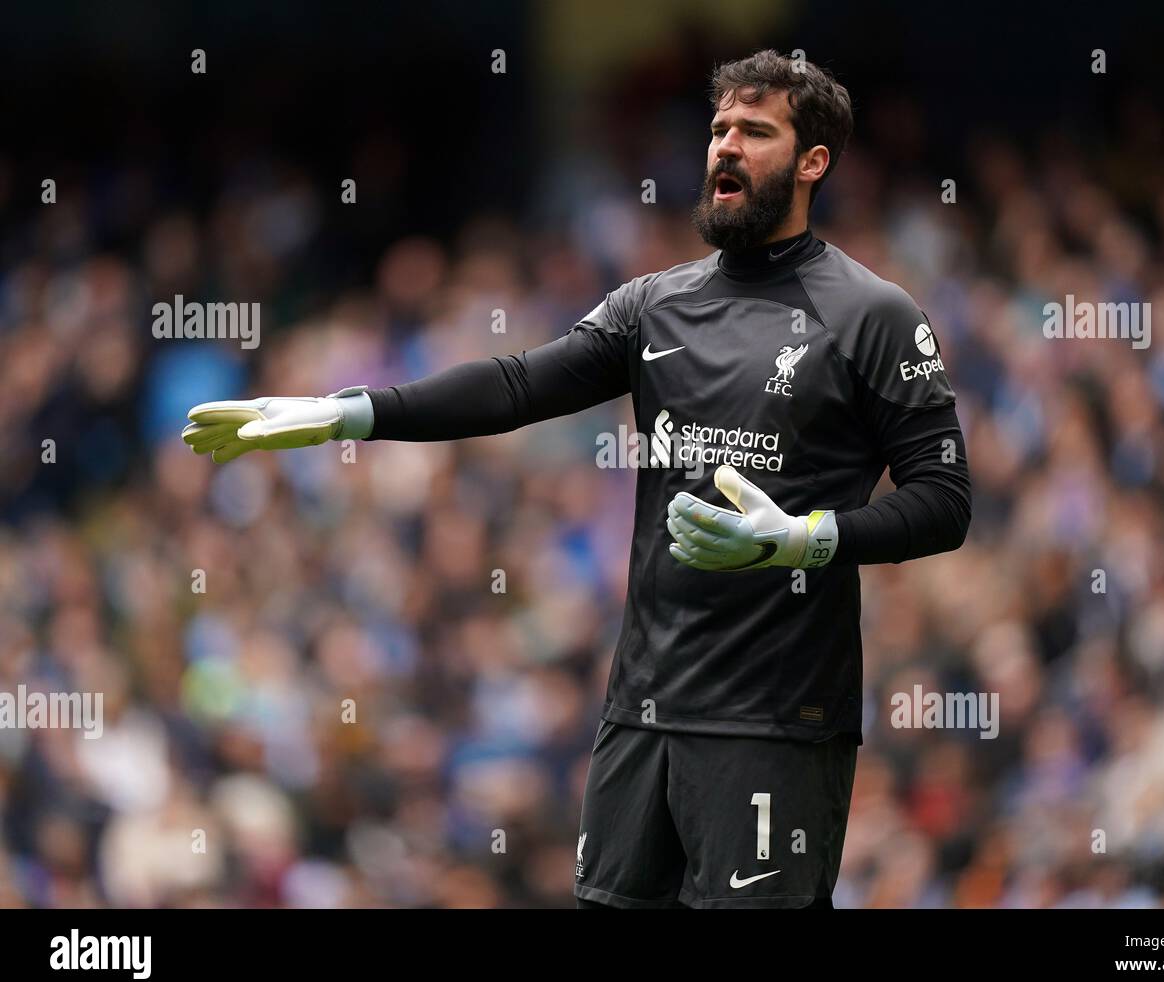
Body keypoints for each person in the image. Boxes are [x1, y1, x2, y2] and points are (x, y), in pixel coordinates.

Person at [181, 49, 971, 909]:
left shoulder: (872, 314)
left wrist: (807, 538)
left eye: (754, 130)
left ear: (813, 161)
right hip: (641, 710)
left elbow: (944, 500)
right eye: (717, 130)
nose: (725, 148)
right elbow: (518, 383)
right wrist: (350, 413)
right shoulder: (655, 304)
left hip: (775, 724)